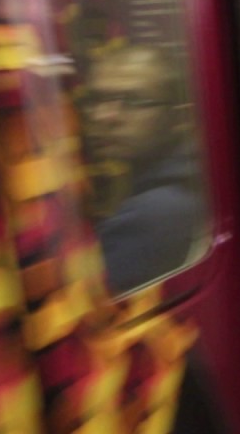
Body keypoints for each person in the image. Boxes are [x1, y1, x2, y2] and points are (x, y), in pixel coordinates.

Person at [83, 45, 202, 294]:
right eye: (96, 99)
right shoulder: (189, 176)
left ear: (179, 118)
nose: (105, 116)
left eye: (133, 100)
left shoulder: (155, 213)